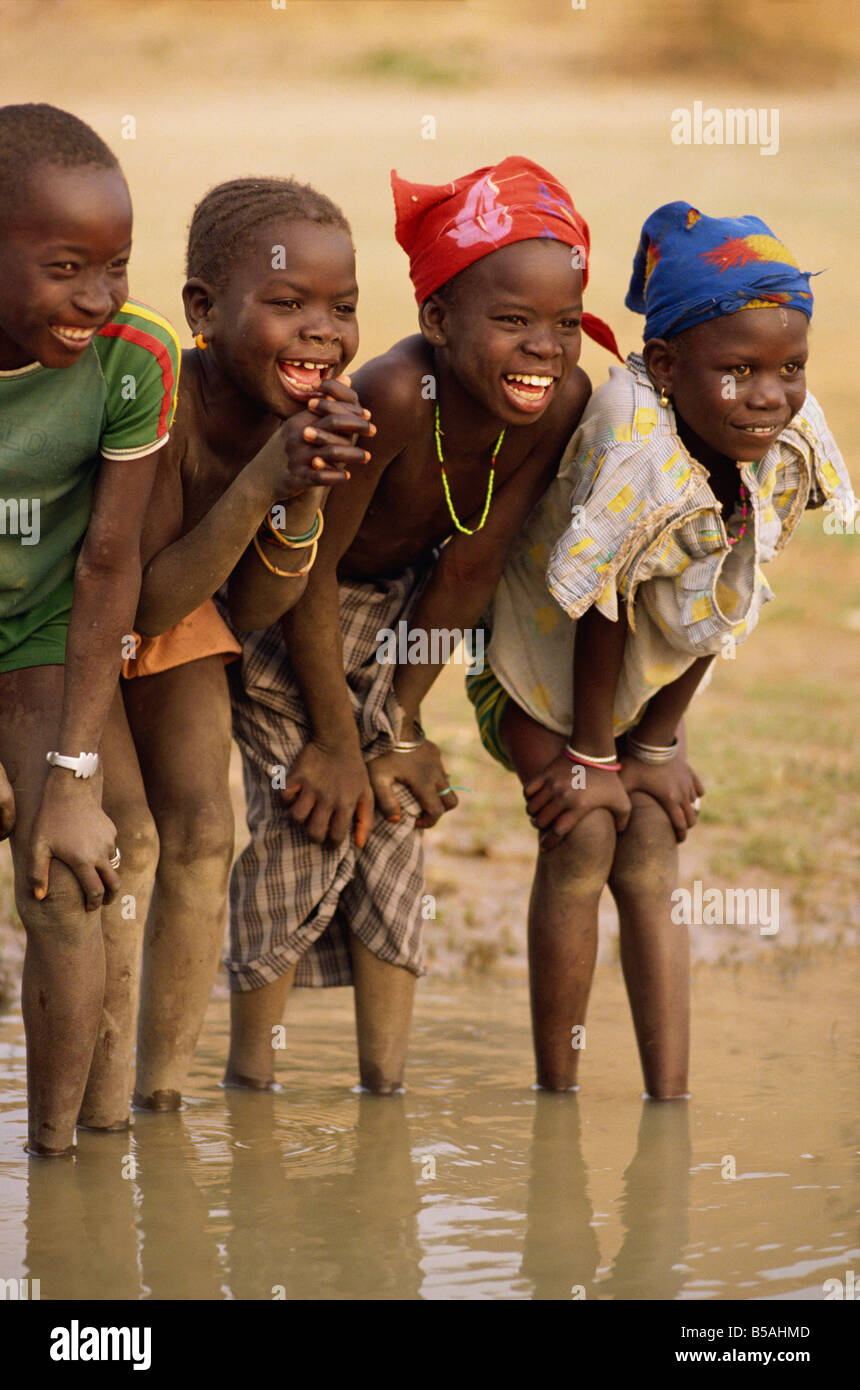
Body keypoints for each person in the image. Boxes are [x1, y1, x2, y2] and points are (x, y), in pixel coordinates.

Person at [225, 156, 622, 1094]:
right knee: (309, 814)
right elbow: (310, 565)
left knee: (391, 810)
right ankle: (250, 1087)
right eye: (514, 322)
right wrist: (335, 737)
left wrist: (396, 730)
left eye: (566, 325)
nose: (547, 349)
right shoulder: (395, 395)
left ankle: (384, 1094)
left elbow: (471, 568)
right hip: (290, 616)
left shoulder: (560, 406)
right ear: (438, 322)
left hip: (407, 615)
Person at [466, 201, 853, 1099]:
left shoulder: (777, 432)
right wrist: (596, 758)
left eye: (790, 367)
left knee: (652, 843)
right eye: (742, 372)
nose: (768, 392)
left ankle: (668, 1104)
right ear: (668, 367)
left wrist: (656, 747)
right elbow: (604, 604)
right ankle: (555, 1105)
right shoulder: (634, 439)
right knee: (585, 831)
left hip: (642, 682)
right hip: (530, 664)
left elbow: (734, 586)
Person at [114, 177, 372, 1111]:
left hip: (177, 628)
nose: (322, 330)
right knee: (125, 839)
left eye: (341, 309)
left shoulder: (310, 420)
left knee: (206, 831)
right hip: (86, 617)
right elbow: (144, 602)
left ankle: (161, 1103)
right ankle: (91, 1102)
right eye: (287, 303)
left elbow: (260, 604)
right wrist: (269, 475)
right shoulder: (165, 401)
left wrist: (301, 490)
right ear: (203, 311)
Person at [0, 103, 180, 1155]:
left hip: (44, 633)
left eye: (116, 264)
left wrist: (71, 776)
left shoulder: (132, 357)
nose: (100, 298)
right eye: (68, 267)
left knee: (66, 874)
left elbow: (109, 563)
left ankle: (59, 1174)